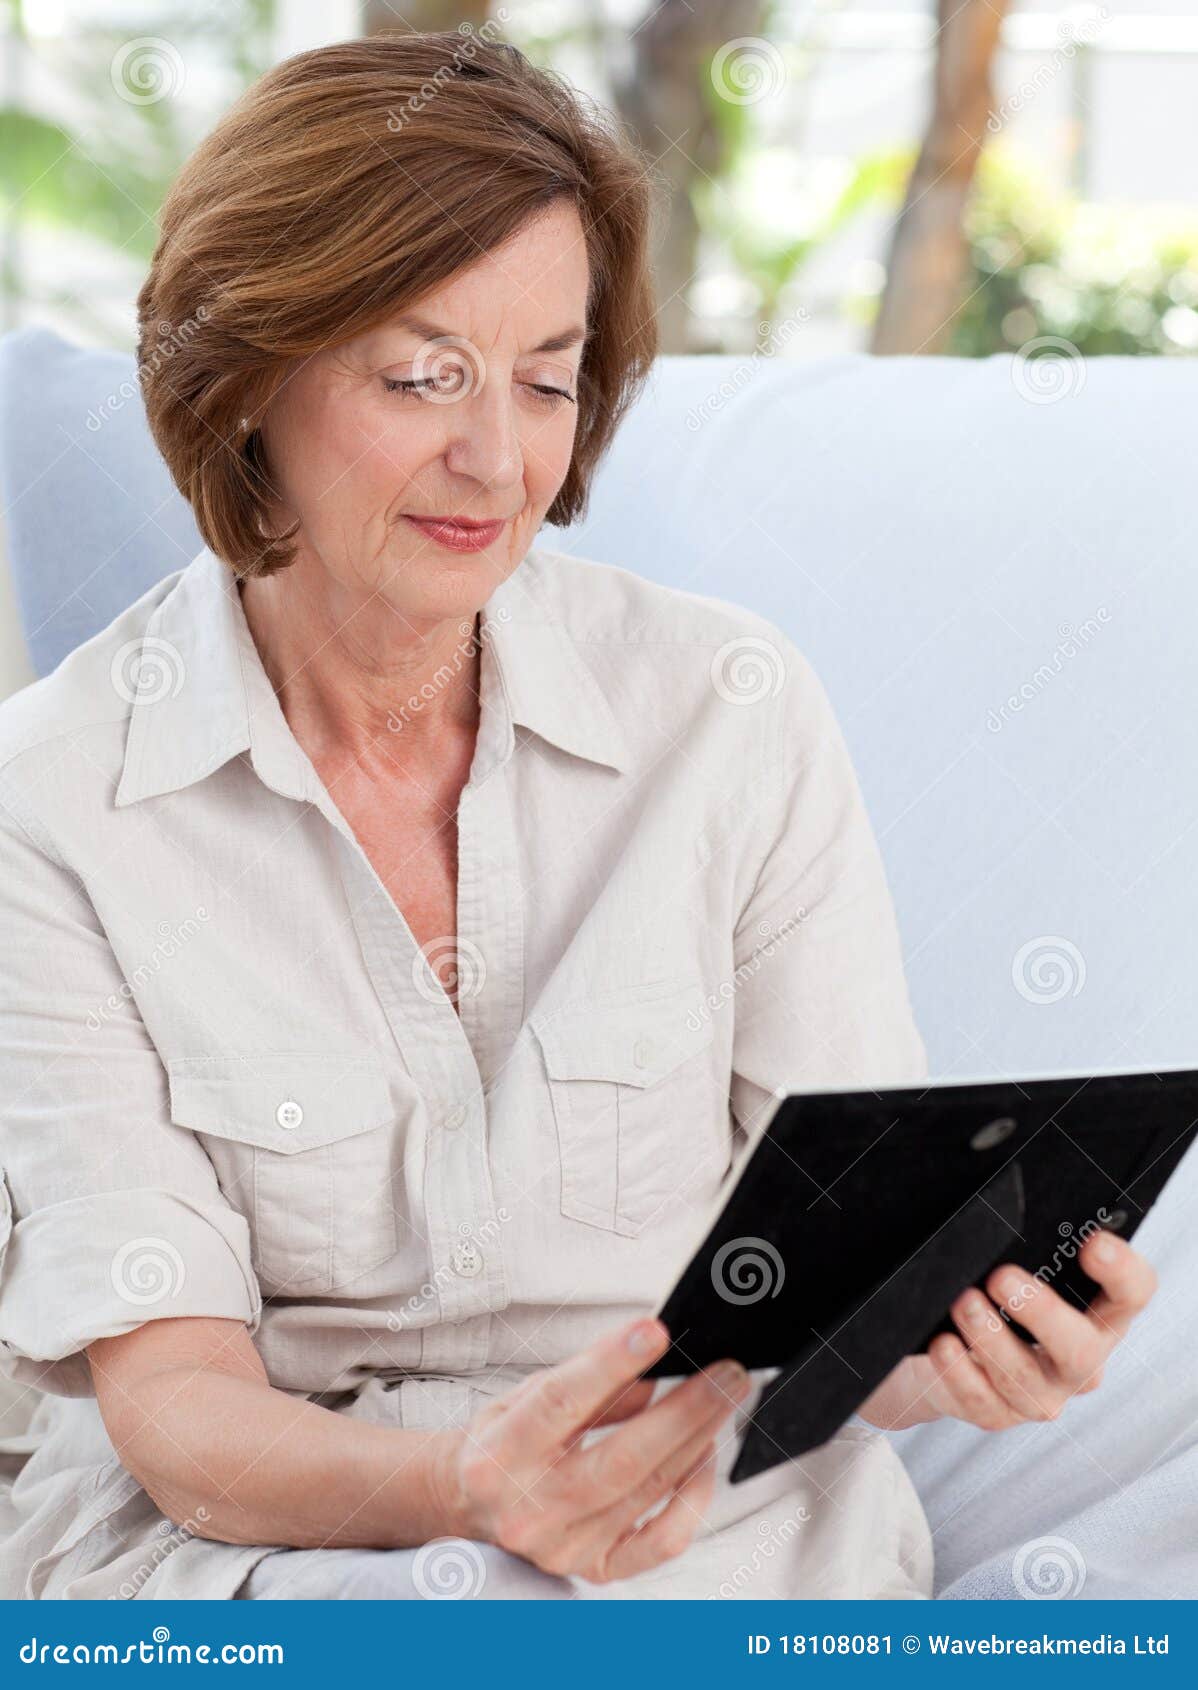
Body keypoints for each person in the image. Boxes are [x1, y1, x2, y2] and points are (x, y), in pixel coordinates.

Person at [0, 33, 1156, 1602]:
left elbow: (823, 1298)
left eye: (546, 377)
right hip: (267, 1548)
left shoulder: (726, 713)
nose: (499, 456)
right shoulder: (54, 801)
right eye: (422, 376)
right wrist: (469, 1484)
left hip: (707, 1525)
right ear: (251, 371)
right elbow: (182, 1415)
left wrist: (944, 1346)